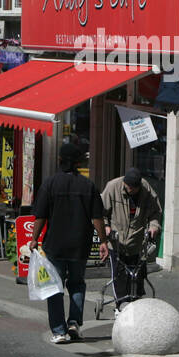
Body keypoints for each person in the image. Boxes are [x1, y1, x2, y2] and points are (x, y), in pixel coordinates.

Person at [32, 142, 109, 343]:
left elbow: (40, 216)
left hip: (55, 245)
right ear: (77, 163)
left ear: (59, 160)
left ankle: (59, 331)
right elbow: (97, 217)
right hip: (79, 246)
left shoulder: (49, 184)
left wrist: (34, 239)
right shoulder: (88, 186)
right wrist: (103, 241)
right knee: (76, 284)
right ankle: (74, 323)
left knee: (54, 287)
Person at [101, 167, 162, 309]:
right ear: (124, 184)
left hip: (137, 240)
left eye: (134, 189)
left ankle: (137, 301)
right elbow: (100, 212)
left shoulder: (146, 189)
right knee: (119, 274)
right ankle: (121, 304)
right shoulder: (112, 187)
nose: (131, 191)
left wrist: (154, 226)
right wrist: (106, 227)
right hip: (117, 240)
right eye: (128, 188)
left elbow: (155, 212)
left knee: (137, 273)